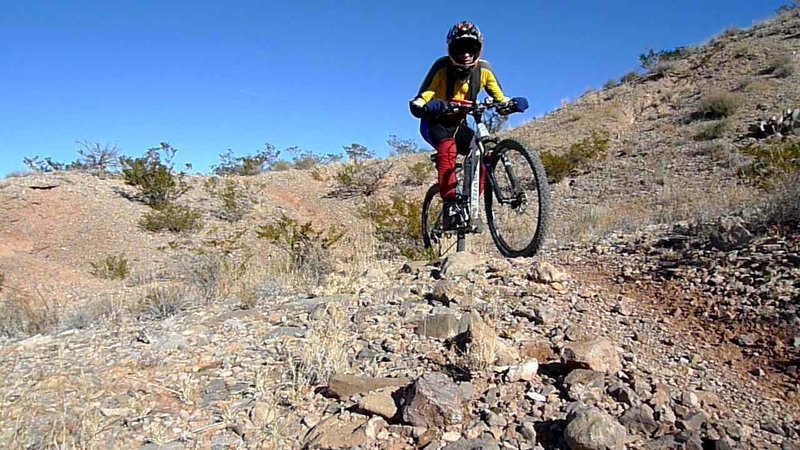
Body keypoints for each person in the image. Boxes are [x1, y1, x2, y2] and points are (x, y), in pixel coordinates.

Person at [409, 21, 528, 230]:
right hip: (434, 124)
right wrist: (424, 106)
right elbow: (423, 96)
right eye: (459, 48)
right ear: (451, 50)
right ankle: (449, 207)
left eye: (470, 48)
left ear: (478, 50)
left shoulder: (484, 71)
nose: (465, 54)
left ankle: (469, 205)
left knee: (483, 155)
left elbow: (499, 98)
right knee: (447, 149)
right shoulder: (441, 68)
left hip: (460, 124)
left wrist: (511, 104)